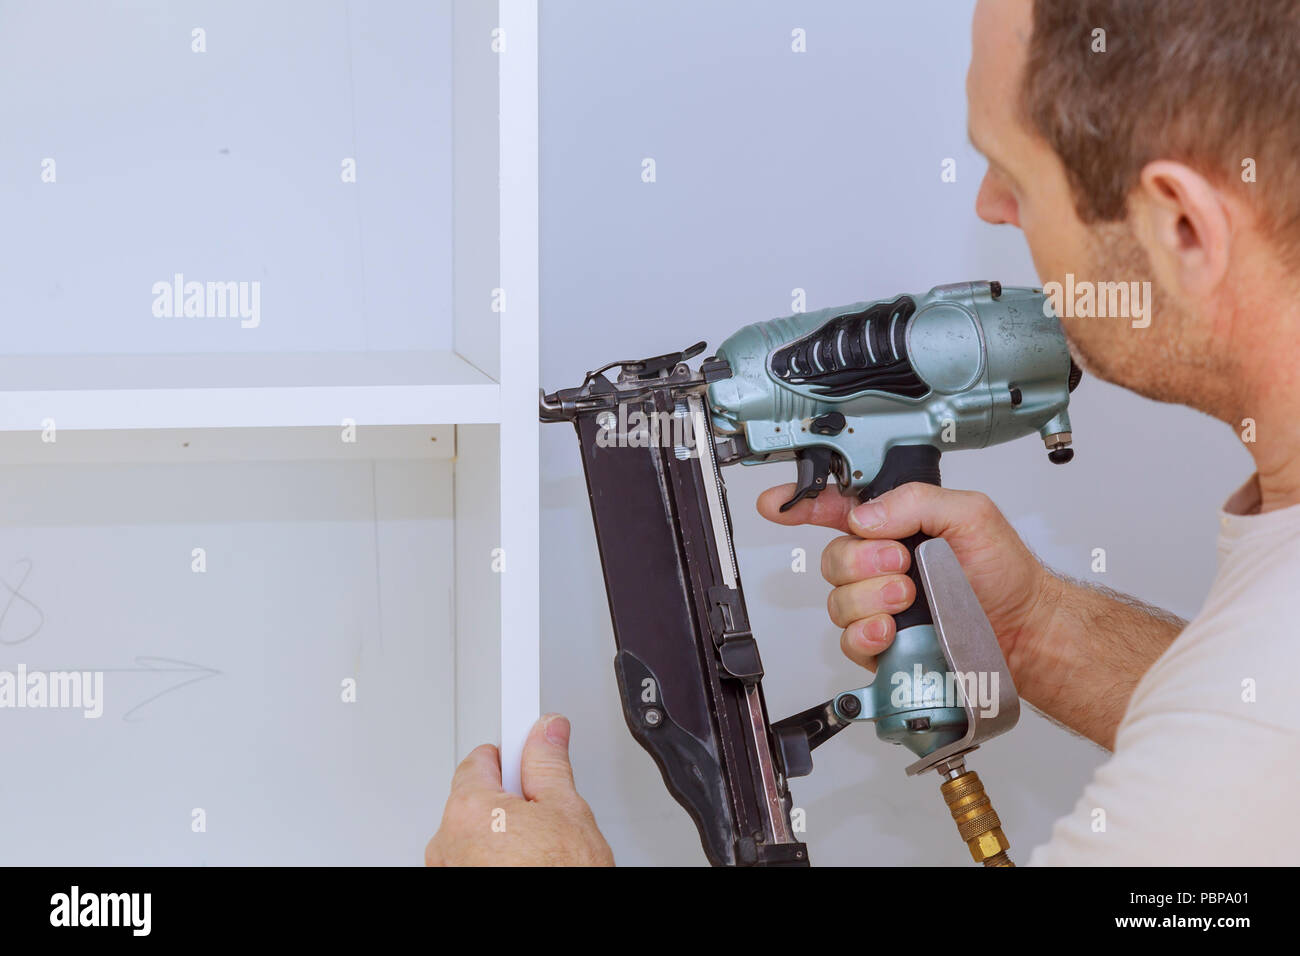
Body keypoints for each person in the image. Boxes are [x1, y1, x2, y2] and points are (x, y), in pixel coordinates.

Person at [426, 0, 1300, 866]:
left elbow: (1241, 731)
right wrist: (1035, 627)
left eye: (1015, 173)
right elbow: (1238, 696)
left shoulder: (1224, 779)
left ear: (1182, 224)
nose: (993, 207)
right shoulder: (1254, 698)